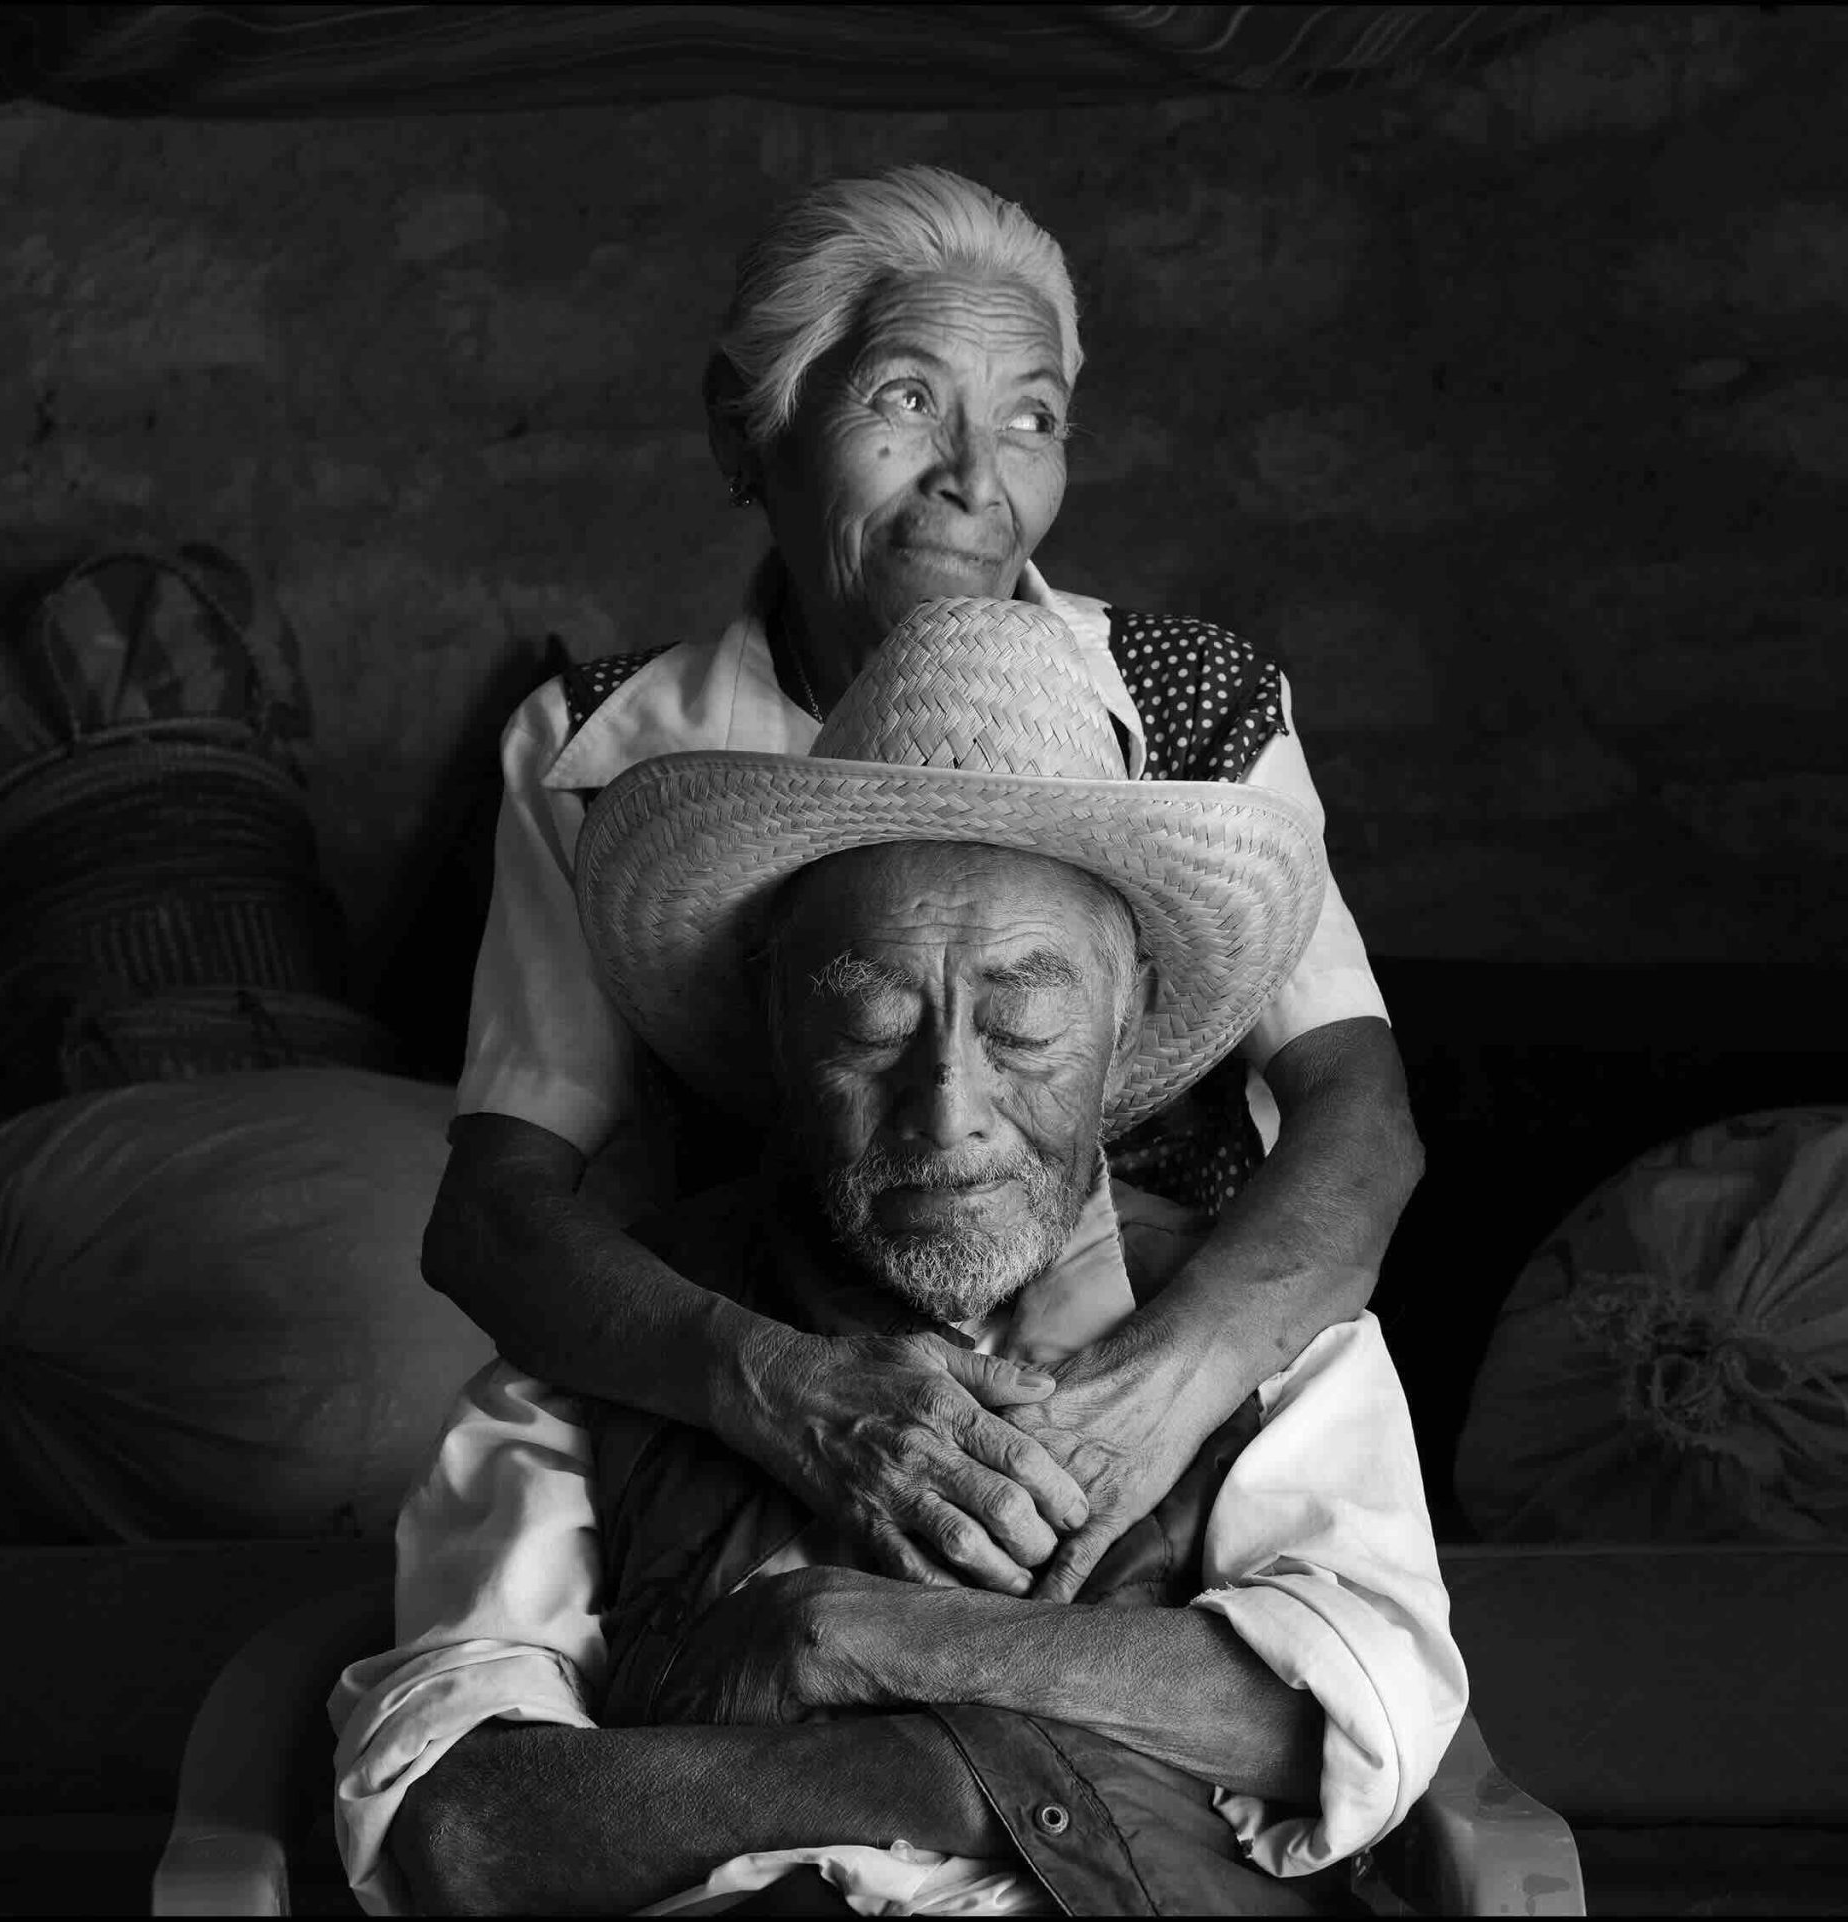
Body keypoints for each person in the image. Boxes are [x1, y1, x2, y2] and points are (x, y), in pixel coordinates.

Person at [338, 600, 1465, 1917]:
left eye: (1027, 1021)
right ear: (769, 1014)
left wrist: (857, 1636)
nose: (949, 1107)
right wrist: (929, 1777)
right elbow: (468, 1826)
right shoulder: (608, 1349)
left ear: (1130, 1014)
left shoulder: (1277, 1339)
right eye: (871, 1018)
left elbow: (1337, 1714)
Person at [427, 163, 1426, 1604]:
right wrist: (778, 1388)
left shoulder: (1194, 708)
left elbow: (1362, 1118)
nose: (977, 476)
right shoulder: (602, 751)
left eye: (1031, 417)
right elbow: (496, 1207)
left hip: (1156, 1432)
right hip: (762, 1436)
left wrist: (1157, 1387)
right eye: (905, 400)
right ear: (745, 426)